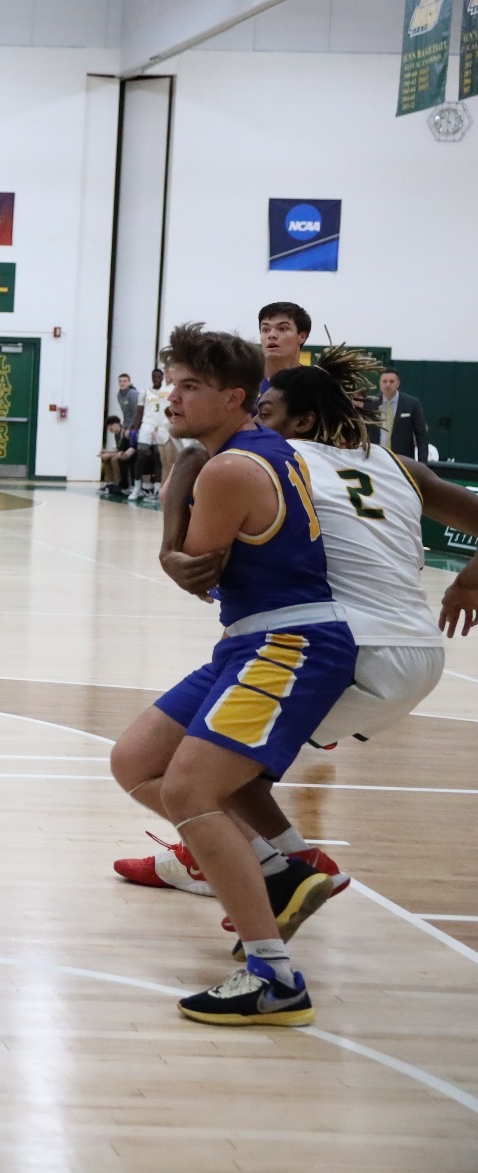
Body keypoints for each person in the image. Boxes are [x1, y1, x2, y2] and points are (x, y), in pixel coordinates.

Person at [117, 349, 478, 909]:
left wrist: (170, 551)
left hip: (339, 645)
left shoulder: (278, 458)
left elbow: (191, 458)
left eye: (264, 413)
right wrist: (468, 585)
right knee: (223, 767)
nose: (254, 423)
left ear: (301, 422)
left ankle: (259, 870)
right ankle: (261, 862)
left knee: (199, 768)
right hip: (419, 653)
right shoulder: (396, 464)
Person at [107, 324, 353, 1028]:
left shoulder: (226, 469)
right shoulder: (259, 449)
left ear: (235, 397)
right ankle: (280, 869)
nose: (172, 397)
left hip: (291, 642)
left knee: (190, 788)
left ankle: (274, 977)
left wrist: (177, 488)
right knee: (136, 761)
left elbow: (192, 568)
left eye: (191, 386)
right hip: (252, 639)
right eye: (172, 383)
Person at [374, 369, 427, 459]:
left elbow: (421, 436)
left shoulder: (411, 404)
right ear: (380, 383)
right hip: (376, 458)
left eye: (391, 381)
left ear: (398, 383)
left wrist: (422, 462)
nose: (388, 385)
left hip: (402, 459)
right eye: (384, 381)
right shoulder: (370, 404)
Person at [256, 301, 310, 388]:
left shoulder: (317, 384)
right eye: (266, 330)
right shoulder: (245, 382)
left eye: (282, 329)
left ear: (302, 336)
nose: (271, 335)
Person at [138, 367, 173, 495]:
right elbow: (159, 411)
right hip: (161, 428)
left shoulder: (174, 388)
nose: (167, 374)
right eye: (166, 372)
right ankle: (161, 492)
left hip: (170, 427)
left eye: (169, 372)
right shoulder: (162, 389)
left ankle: (170, 492)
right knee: (163, 462)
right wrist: (157, 427)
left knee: (171, 462)